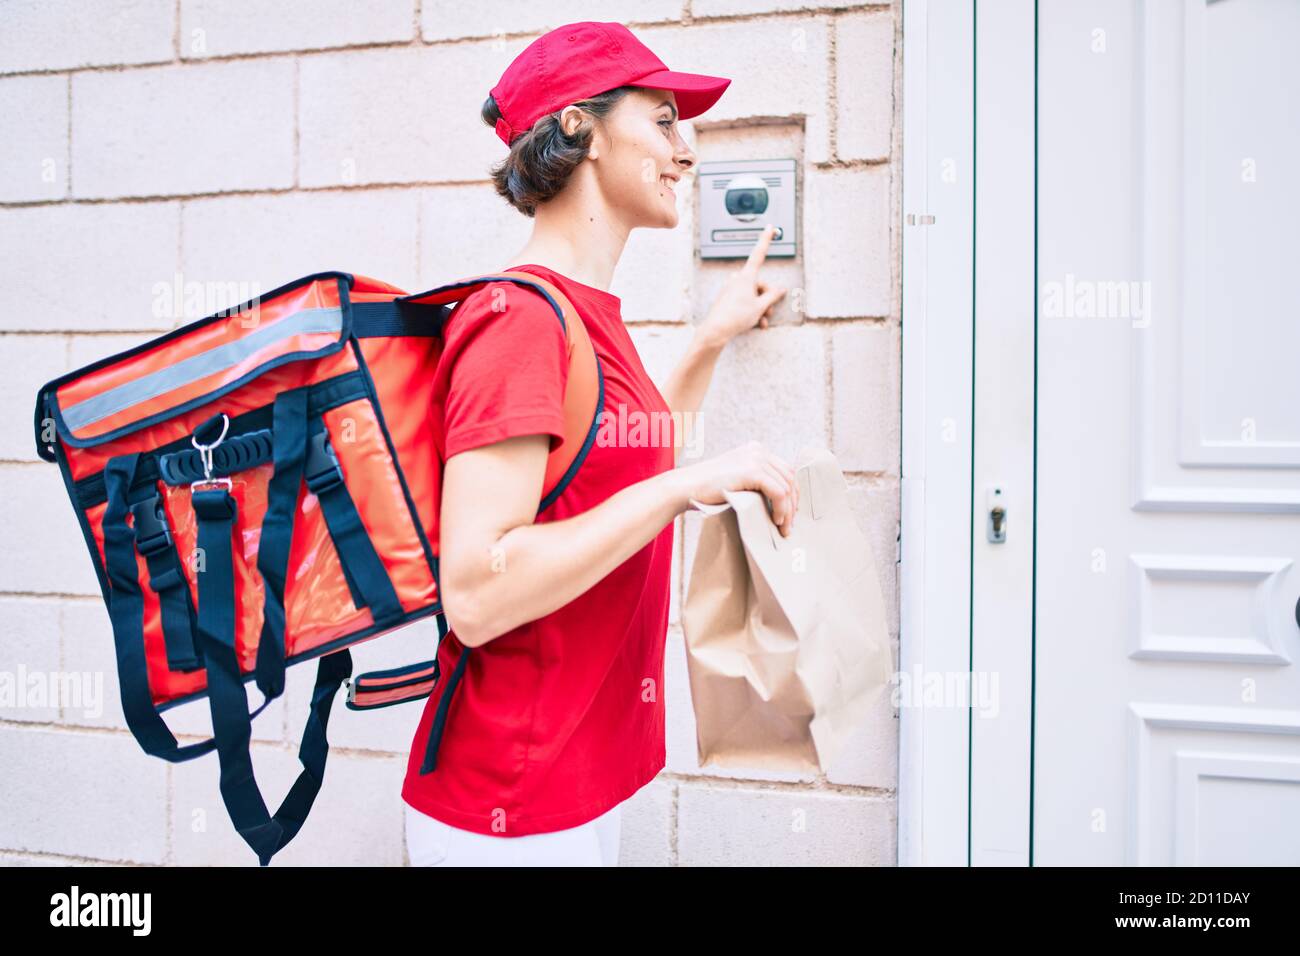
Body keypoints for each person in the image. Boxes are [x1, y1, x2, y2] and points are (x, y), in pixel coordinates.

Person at [402, 20, 799, 867]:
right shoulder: (519, 323)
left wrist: (711, 336)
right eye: (661, 121)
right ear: (580, 128)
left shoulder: (586, 317)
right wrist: (685, 487)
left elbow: (640, 450)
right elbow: (474, 593)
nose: (684, 151)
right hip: (507, 806)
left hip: (577, 791)